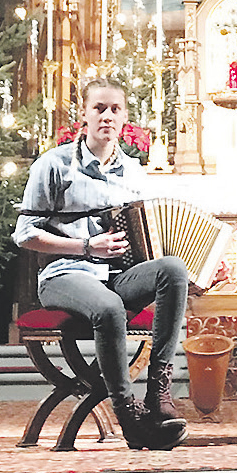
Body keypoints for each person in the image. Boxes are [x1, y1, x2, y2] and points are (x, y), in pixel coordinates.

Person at [12, 77, 195, 450]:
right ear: (84, 113)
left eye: (115, 109)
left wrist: (197, 274)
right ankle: (128, 415)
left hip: (117, 275)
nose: (107, 116)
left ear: (125, 116)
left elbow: (148, 238)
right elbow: (26, 234)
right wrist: (86, 246)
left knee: (174, 269)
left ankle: (158, 394)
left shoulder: (133, 171)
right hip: (65, 274)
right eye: (99, 108)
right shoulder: (54, 164)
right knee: (109, 307)